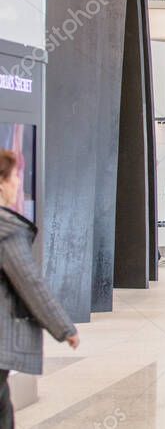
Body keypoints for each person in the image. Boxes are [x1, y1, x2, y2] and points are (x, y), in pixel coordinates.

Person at [0, 150, 79, 425]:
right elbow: (31, 284)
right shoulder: (6, 229)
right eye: (15, 177)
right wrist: (63, 327)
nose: (18, 184)